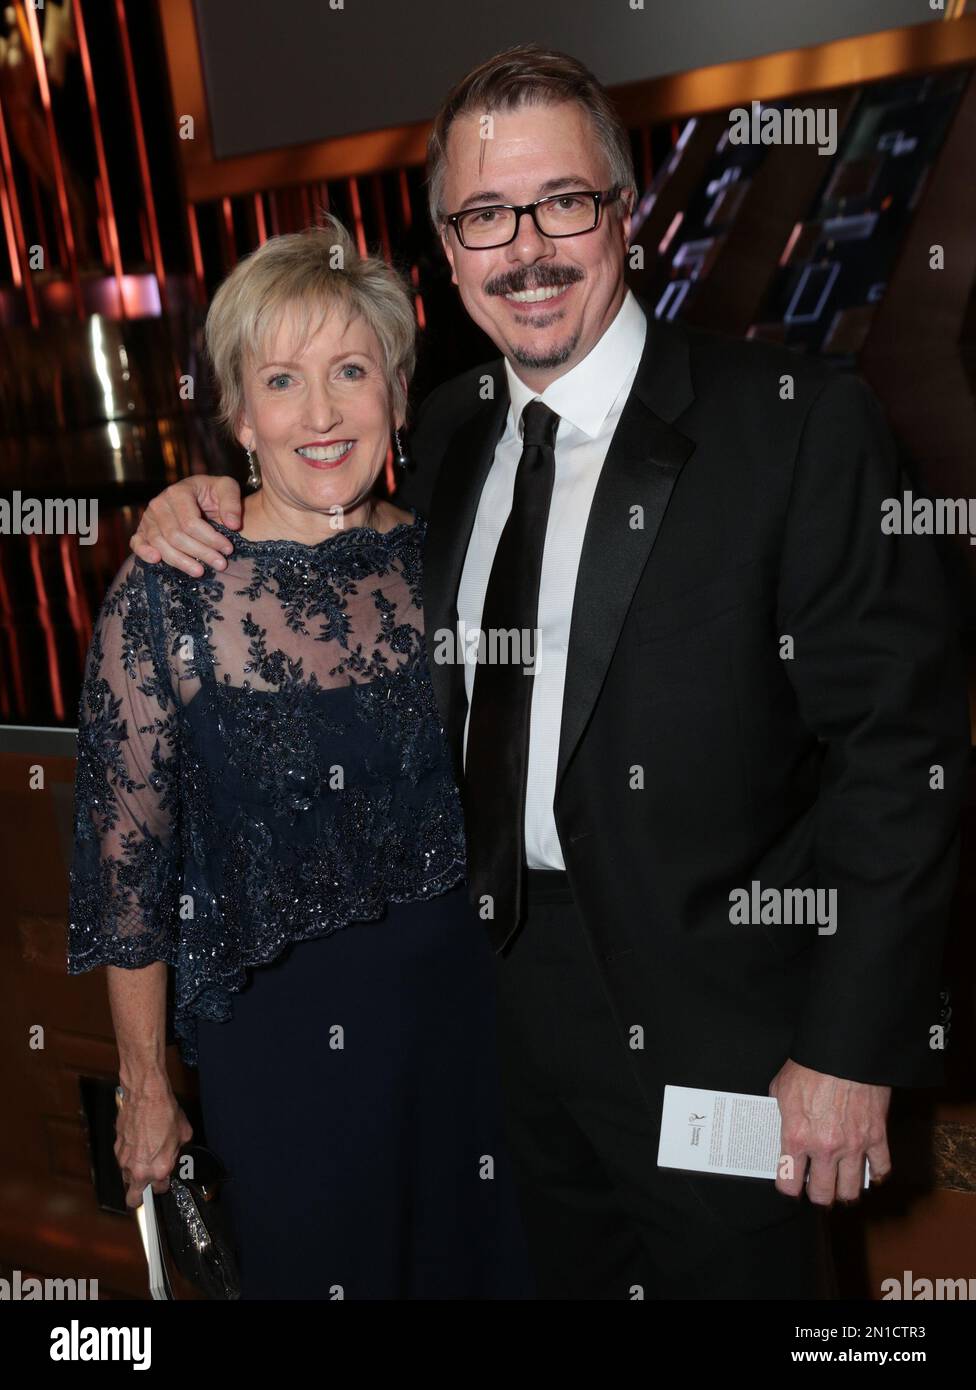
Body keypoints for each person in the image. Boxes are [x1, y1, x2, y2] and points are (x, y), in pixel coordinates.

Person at [128, 46, 971, 1300]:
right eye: (484, 215)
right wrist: (203, 502)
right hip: (497, 1032)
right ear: (449, 248)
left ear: (624, 213)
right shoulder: (457, 427)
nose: (527, 248)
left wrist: (847, 1050)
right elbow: (317, 506)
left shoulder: (790, 421)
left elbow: (900, 755)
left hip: (726, 1039)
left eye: (561, 202)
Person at [67, 215, 532, 1300]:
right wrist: (145, 1081)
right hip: (282, 1063)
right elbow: (127, 869)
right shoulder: (168, 592)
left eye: (350, 371)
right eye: (281, 381)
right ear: (237, 412)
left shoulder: (454, 558)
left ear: (398, 393)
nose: (320, 416)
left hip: (477, 1037)